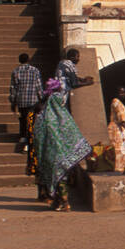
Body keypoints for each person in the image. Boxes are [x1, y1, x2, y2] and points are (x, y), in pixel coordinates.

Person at [33, 76, 92, 211]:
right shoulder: (64, 116)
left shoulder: (44, 117)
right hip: (64, 155)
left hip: (51, 155)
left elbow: (38, 135)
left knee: (56, 178)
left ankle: (64, 202)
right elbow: (73, 132)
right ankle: (60, 201)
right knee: (61, 178)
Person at [9, 53, 42, 155]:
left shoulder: (15, 72)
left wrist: (12, 101)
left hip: (21, 100)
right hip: (33, 100)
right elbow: (38, 86)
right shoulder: (35, 71)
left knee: (23, 118)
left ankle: (23, 136)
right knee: (31, 121)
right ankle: (28, 143)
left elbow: (13, 89)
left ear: (19, 61)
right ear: (29, 60)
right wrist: (41, 98)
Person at [108, 86, 125, 172]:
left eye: (124, 92)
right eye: (121, 92)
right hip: (117, 129)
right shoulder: (117, 103)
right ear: (116, 93)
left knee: (117, 149)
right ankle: (118, 168)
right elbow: (121, 120)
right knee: (119, 150)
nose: (123, 94)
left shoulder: (115, 102)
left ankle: (117, 167)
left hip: (114, 128)